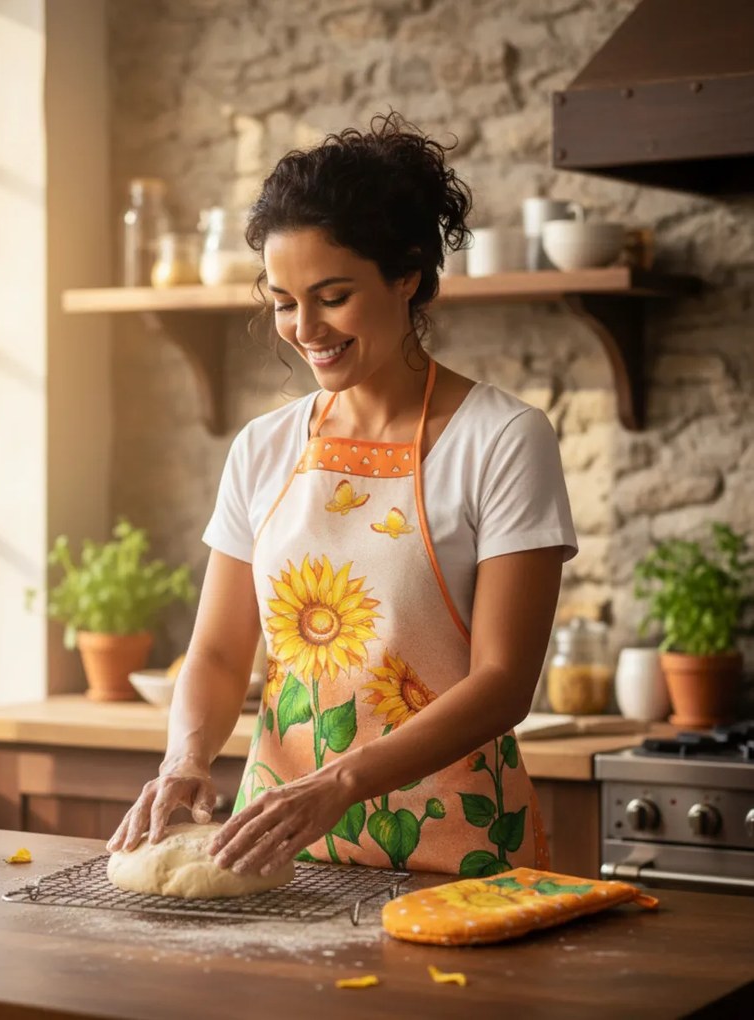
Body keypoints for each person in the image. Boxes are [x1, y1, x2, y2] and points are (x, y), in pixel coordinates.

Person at [107, 113, 578, 878]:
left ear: (408, 276)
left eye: (331, 295)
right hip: (272, 853)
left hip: (456, 855)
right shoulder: (264, 448)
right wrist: (185, 760)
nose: (303, 328)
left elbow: (502, 684)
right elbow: (221, 652)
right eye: (285, 300)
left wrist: (339, 783)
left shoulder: (502, 439)